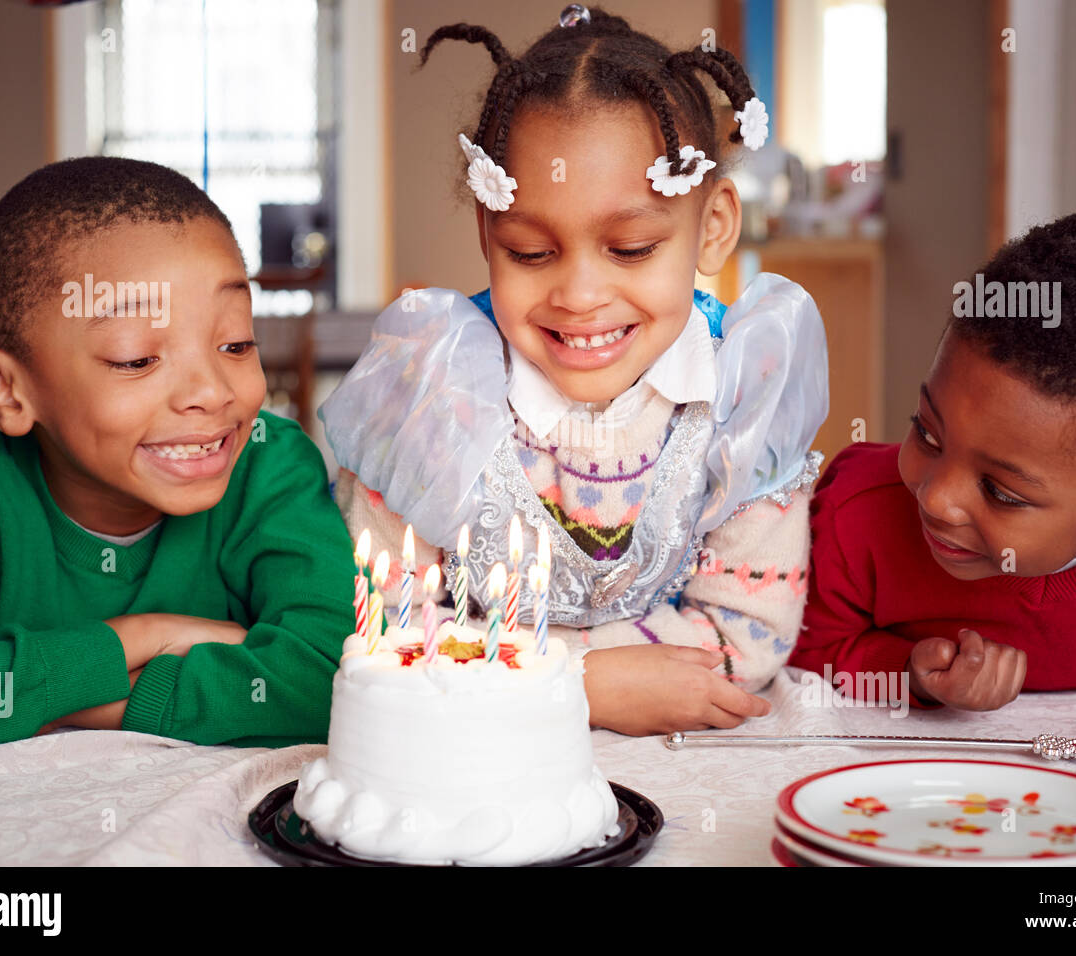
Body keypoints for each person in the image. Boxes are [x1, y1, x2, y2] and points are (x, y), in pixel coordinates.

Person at [320, 7, 829, 736]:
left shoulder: (746, 390)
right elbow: (377, 632)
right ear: (489, 233)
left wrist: (500, 669)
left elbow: (745, 639)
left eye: (630, 249)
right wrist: (581, 684)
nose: (580, 296)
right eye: (530, 252)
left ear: (713, 227)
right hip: (472, 766)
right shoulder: (430, 394)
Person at [0, 157, 355, 764]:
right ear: (6, 390)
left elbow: (338, 685)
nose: (211, 391)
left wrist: (73, 702)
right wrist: (139, 639)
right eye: (136, 359)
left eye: (235, 343)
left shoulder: (269, 467)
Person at [791, 210, 1076, 710]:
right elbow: (801, 649)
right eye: (928, 432)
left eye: (1001, 492)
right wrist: (908, 673)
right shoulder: (855, 515)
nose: (937, 498)